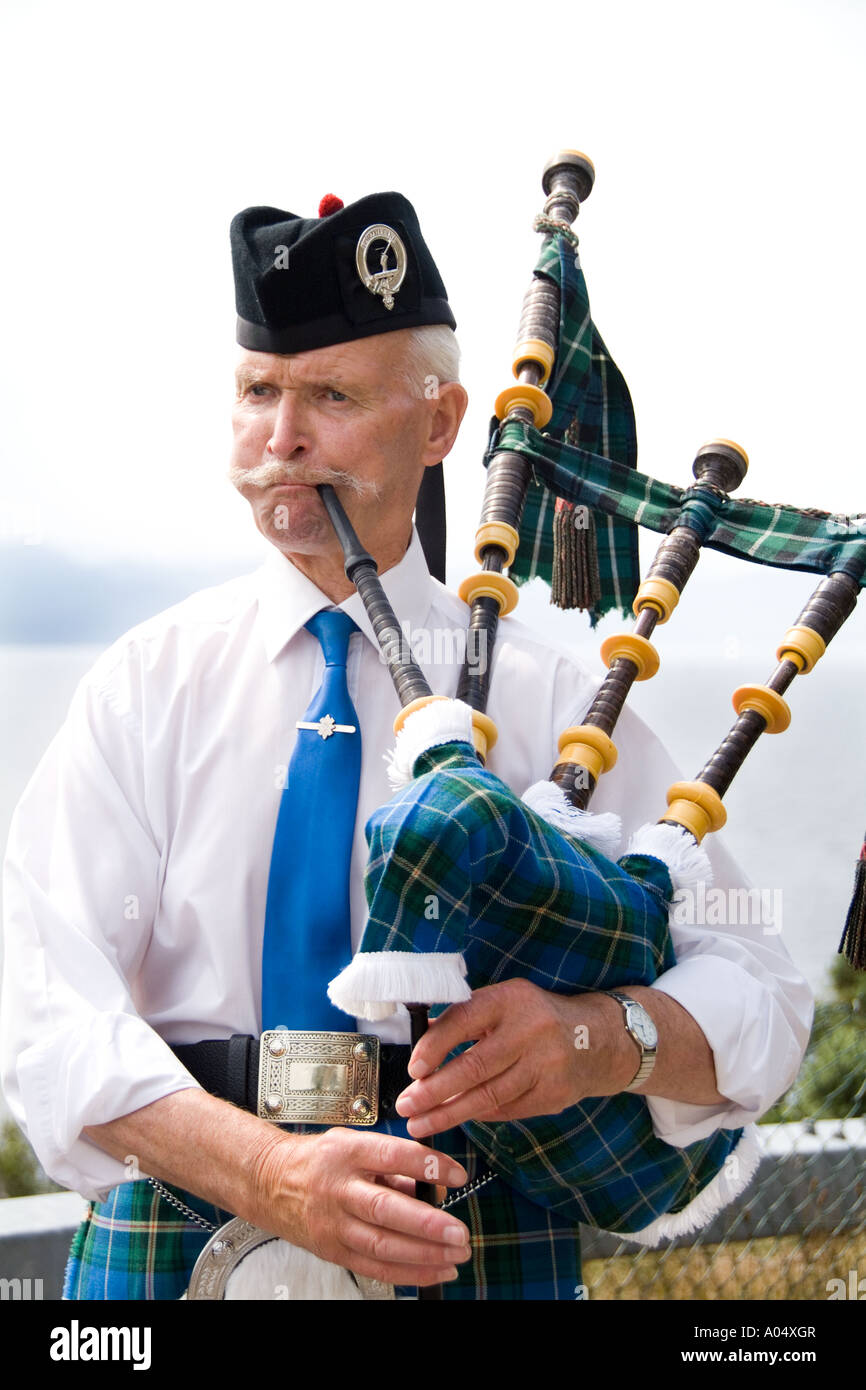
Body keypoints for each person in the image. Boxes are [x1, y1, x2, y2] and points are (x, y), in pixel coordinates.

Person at [0, 190, 812, 1301]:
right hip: (183, 1213)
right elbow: (45, 1008)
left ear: (439, 424)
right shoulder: (144, 690)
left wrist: (596, 1036)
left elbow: (759, 983)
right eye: (257, 392)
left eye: (330, 395)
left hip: (476, 1229)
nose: (281, 439)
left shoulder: (557, 698)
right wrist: (274, 1172)